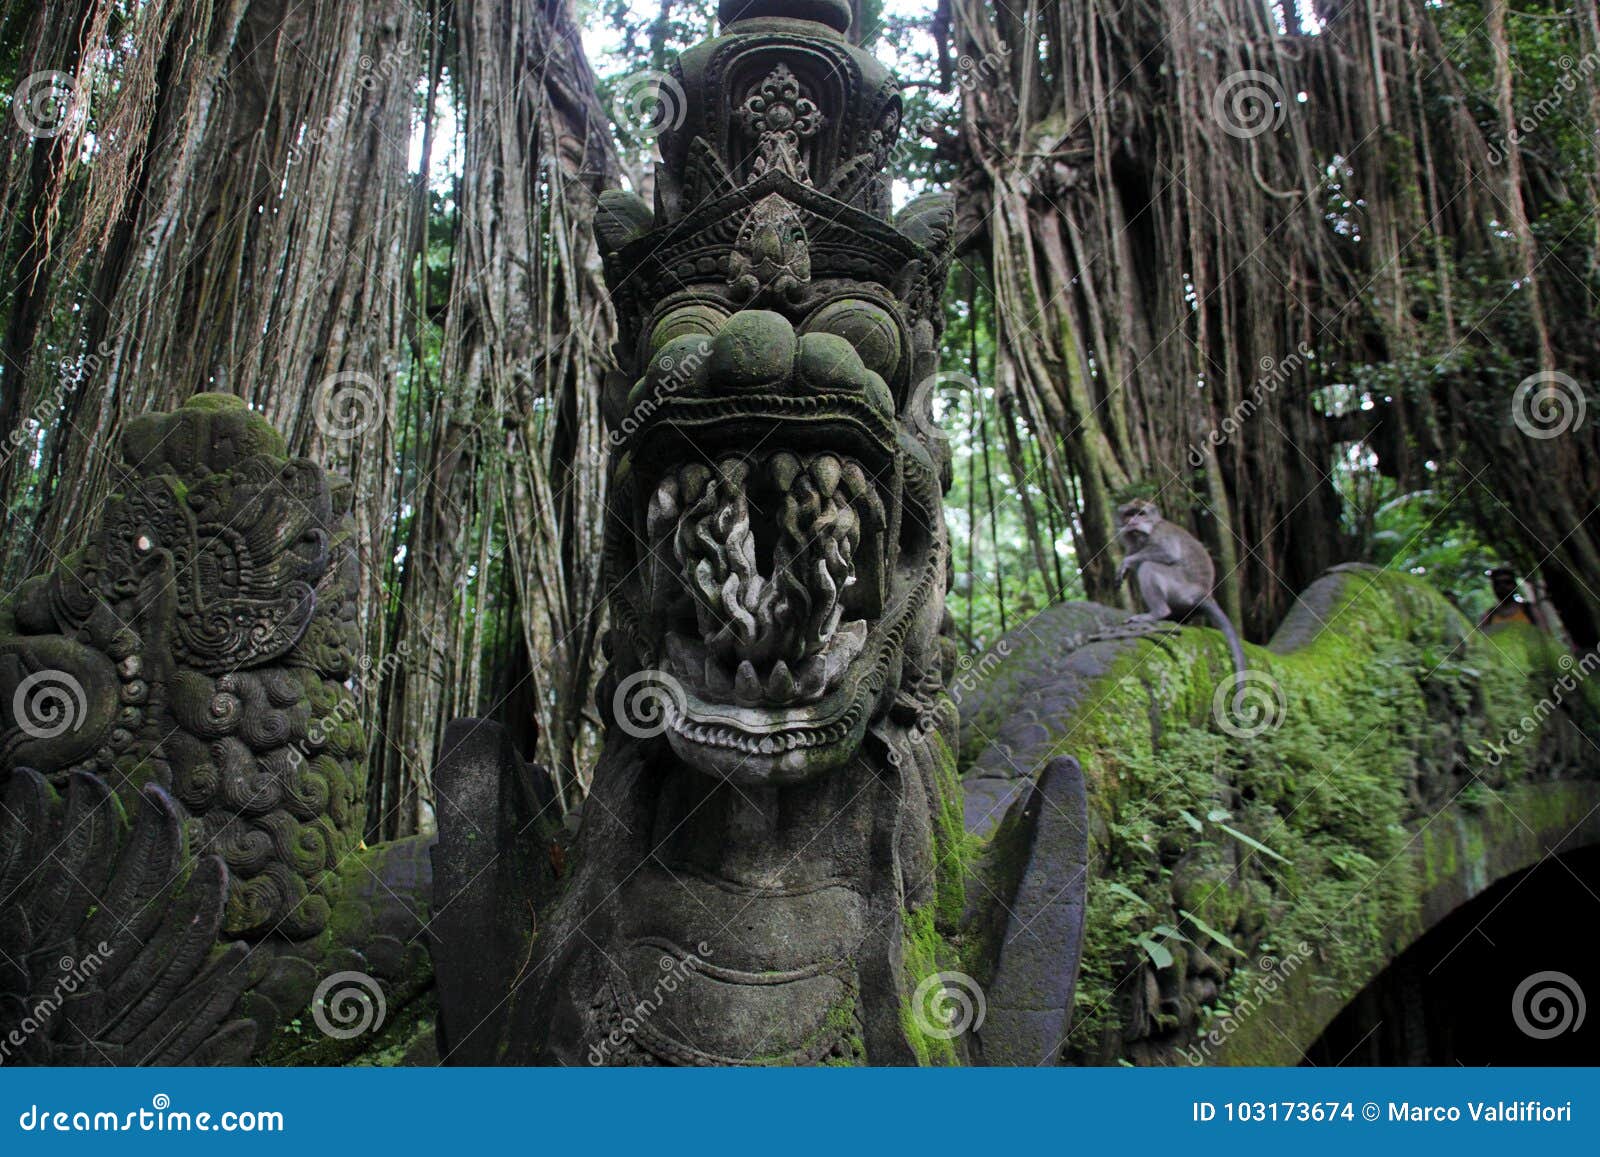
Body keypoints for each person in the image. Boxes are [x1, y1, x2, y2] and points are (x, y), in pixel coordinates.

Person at [1478, 566, 1545, 630]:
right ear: (1493, 587)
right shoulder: (1488, 617)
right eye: (1497, 583)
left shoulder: (1530, 610)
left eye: (1507, 582)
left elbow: (1546, 637)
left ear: (1515, 585)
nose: (1502, 587)